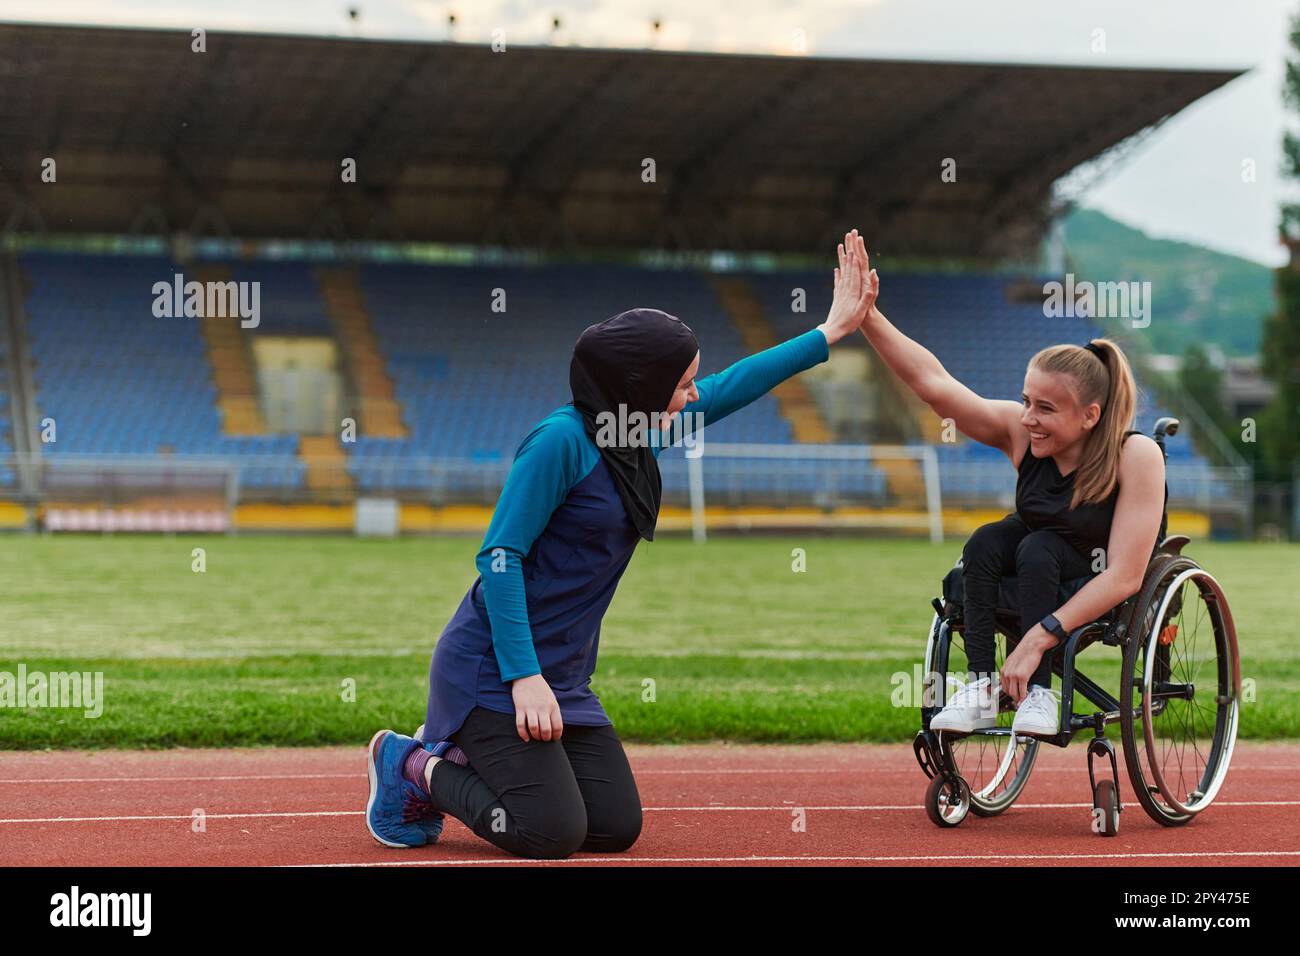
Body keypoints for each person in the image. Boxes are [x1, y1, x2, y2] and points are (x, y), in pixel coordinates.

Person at [364, 229, 879, 858]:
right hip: (492, 672)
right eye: (683, 382)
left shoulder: (634, 431)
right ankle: (413, 764)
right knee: (550, 833)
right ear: (640, 382)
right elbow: (499, 557)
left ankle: (470, 755)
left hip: (565, 680)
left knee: (614, 829)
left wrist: (828, 332)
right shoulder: (561, 442)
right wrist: (524, 676)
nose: (694, 394)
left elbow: (734, 385)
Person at [848, 235, 1167, 736]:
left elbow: (1126, 576)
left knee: (1039, 546)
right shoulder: (1021, 432)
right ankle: (979, 685)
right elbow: (937, 386)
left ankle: (1040, 691)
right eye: (1025, 402)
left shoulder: (1136, 455)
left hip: (1094, 571)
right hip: (1034, 557)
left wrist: (1039, 638)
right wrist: (866, 316)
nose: (1028, 419)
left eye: (1045, 408)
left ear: (1090, 416)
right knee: (985, 540)